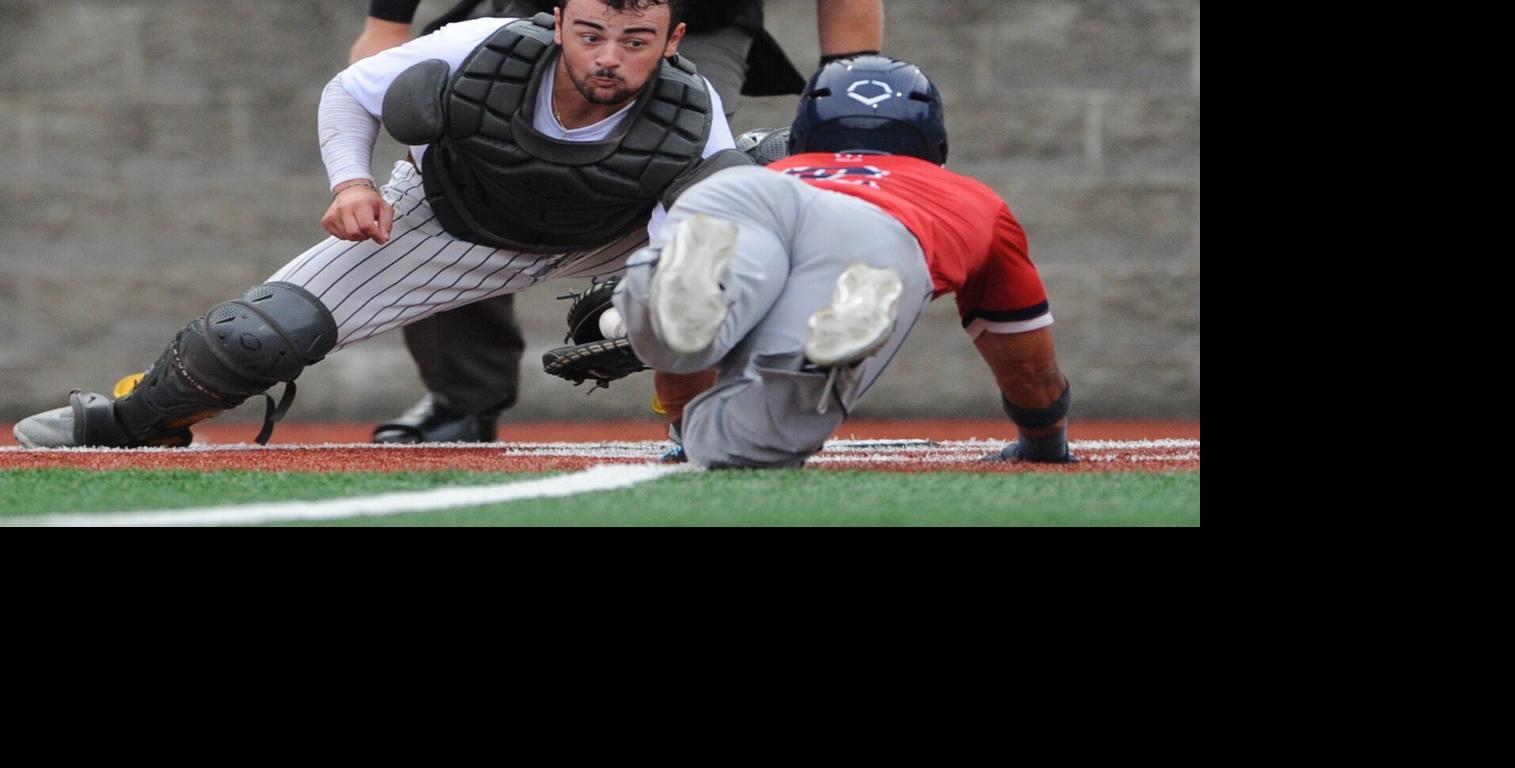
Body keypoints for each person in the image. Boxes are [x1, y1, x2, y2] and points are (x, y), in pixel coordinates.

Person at [11, 0, 741, 450]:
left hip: (604, 229)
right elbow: (348, 93)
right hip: (447, 220)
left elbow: (704, 222)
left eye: (636, 40)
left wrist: (644, 299)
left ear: (673, 38)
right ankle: (140, 415)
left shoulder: (691, 106)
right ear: (556, 21)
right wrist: (353, 182)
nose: (609, 57)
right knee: (253, 336)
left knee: (737, 219)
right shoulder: (480, 48)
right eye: (590, 33)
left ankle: (693, 421)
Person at [351, 0, 886, 444]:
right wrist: (388, 22)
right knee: (458, 166)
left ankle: (695, 405)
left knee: (687, 167)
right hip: (536, 8)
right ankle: (462, 398)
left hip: (697, 16)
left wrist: (853, 80)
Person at [612, 55, 1076, 468]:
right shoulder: (974, 199)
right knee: (740, 445)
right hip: (876, 236)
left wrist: (681, 425)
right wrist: (1043, 443)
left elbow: (680, 367)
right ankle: (823, 350)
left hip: (747, 191)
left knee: (675, 329)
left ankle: (653, 293)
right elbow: (1030, 372)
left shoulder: (776, 166)